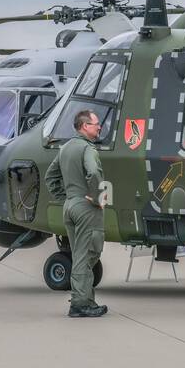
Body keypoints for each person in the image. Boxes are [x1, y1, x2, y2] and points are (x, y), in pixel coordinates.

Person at [44, 109, 108, 318]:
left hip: (71, 206)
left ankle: (86, 299)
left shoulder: (66, 148)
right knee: (88, 253)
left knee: (80, 253)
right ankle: (80, 304)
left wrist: (67, 197)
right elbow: (94, 172)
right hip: (86, 208)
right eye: (96, 123)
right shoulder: (87, 149)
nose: (99, 127)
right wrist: (98, 197)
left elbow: (50, 177)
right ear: (84, 126)